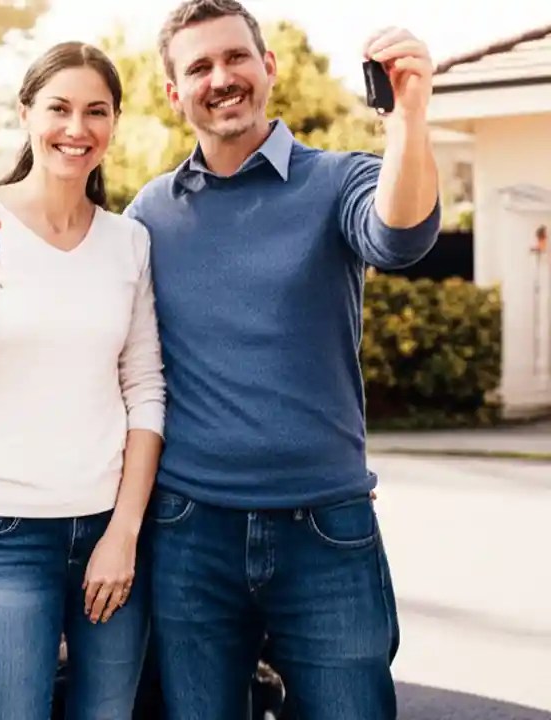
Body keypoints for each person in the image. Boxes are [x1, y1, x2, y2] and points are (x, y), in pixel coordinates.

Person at [123, 1, 441, 718]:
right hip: (190, 531)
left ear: (268, 67)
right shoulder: (151, 213)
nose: (221, 77)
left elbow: (401, 236)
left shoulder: (337, 181)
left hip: (325, 529)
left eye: (236, 57)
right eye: (198, 67)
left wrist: (409, 119)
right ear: (175, 94)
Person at [0, 40, 166, 720]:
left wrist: (125, 532)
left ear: (113, 123)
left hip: (110, 527)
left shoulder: (127, 240)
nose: (76, 129)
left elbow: (145, 390)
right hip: (7, 532)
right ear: (26, 114)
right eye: (59, 108)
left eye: (96, 112)